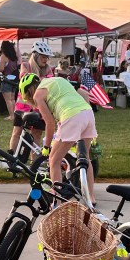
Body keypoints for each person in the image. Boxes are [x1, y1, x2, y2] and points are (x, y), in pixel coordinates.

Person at [20, 71, 96, 203]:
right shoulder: (57, 80)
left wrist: (46, 147)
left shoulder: (38, 94)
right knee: (85, 158)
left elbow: (49, 123)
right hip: (88, 113)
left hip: (71, 116)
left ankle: (57, 199)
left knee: (54, 160)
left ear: (28, 92)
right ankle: (91, 197)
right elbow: (82, 94)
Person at [9, 40, 54, 153]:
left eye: (47, 57)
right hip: (22, 108)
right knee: (17, 132)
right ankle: (11, 158)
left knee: (37, 135)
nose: (46, 60)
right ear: (35, 55)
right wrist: (41, 79)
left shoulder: (48, 69)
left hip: (40, 108)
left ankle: (35, 164)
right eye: (43, 57)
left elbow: (51, 82)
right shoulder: (25, 65)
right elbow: (25, 77)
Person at [0, 40, 19, 120]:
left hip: (6, 79)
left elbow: (1, 68)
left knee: (8, 100)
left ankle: (11, 116)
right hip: (14, 79)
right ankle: (14, 115)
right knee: (12, 99)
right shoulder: (14, 57)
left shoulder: (3, 56)